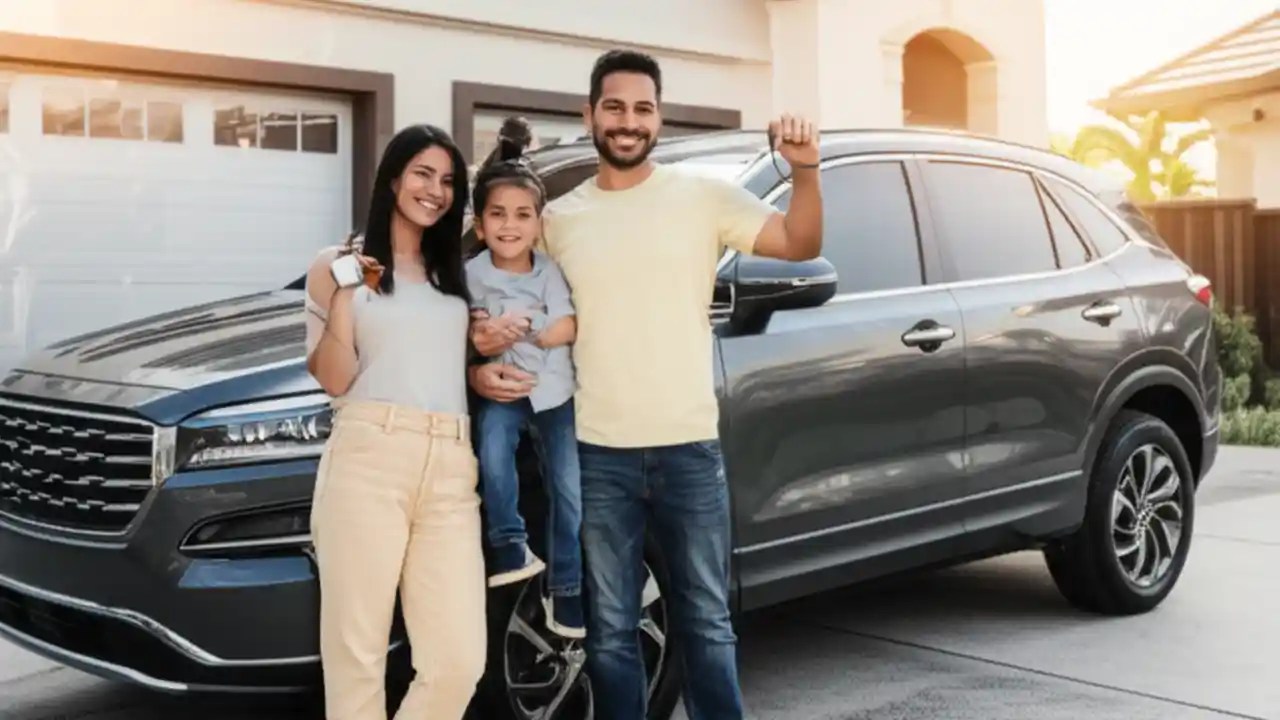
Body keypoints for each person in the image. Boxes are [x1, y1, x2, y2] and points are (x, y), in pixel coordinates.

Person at [469, 49, 824, 720]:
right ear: (590, 115)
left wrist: (805, 171)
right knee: (609, 634)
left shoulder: (702, 197)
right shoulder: (559, 220)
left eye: (642, 109)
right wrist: (476, 362)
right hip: (597, 454)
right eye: (614, 107)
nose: (627, 122)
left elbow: (799, 243)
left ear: (659, 118)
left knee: (707, 628)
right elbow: (493, 285)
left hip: (689, 450)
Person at [304, 123, 485, 720]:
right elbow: (334, 377)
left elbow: (448, 367)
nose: (436, 191)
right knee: (356, 662)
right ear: (392, 179)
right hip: (368, 458)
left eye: (448, 181)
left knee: (458, 663)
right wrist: (344, 294)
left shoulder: (453, 274)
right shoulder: (336, 264)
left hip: (451, 468)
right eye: (423, 174)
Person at [465, 116, 585, 639]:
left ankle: (567, 590)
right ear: (479, 225)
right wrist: (481, 333)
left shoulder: (548, 272)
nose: (509, 226)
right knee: (493, 451)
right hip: (505, 392)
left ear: (538, 224)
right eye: (497, 215)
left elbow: (568, 325)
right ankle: (510, 545)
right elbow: (465, 328)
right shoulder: (471, 275)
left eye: (521, 215)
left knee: (568, 490)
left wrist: (530, 327)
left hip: (554, 395)